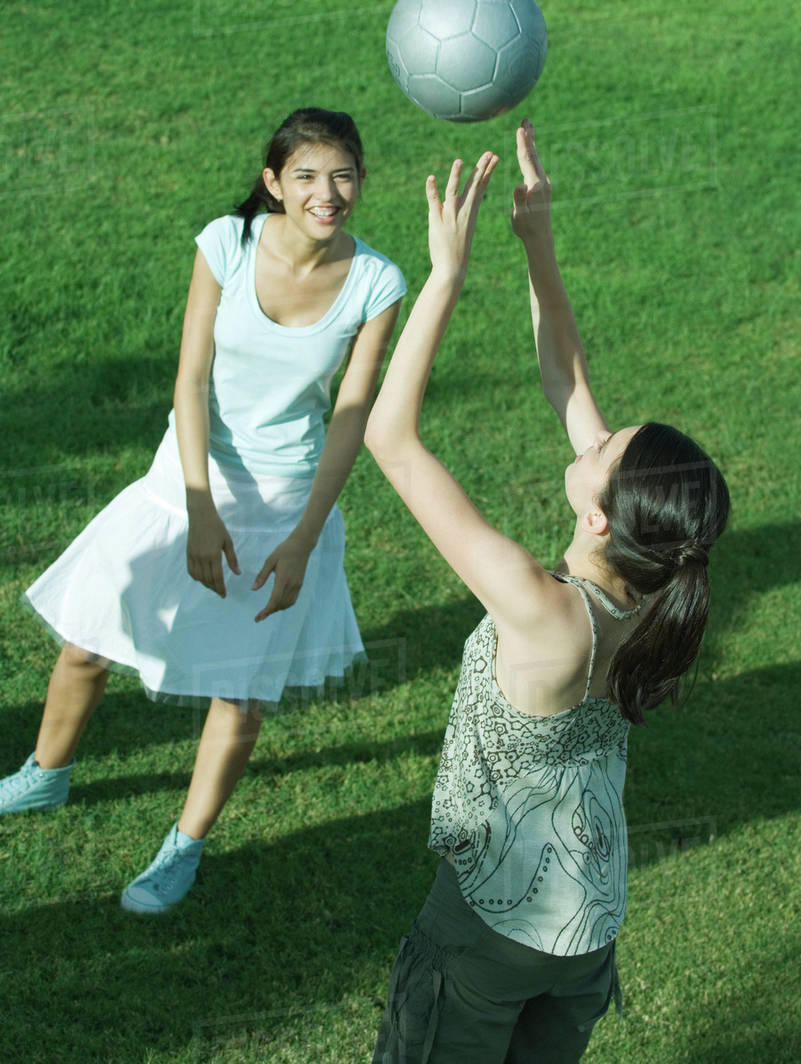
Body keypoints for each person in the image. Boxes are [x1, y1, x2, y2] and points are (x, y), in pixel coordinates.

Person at [365, 120, 729, 1063]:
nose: (591, 435)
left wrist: (442, 276)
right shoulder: (661, 576)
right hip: (587, 921)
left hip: (491, 931)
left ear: (603, 515)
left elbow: (390, 441)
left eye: (603, 450)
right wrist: (537, 245)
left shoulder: (541, 610)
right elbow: (565, 380)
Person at [0, 107, 405, 915]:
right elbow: (189, 379)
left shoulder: (376, 282)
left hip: (288, 497)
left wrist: (304, 537)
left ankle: (182, 847)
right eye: (307, 177)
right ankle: (45, 776)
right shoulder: (225, 243)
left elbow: (351, 417)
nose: (328, 194)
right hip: (186, 474)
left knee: (239, 691)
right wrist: (196, 507)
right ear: (273, 184)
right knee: (87, 645)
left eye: (343, 176)